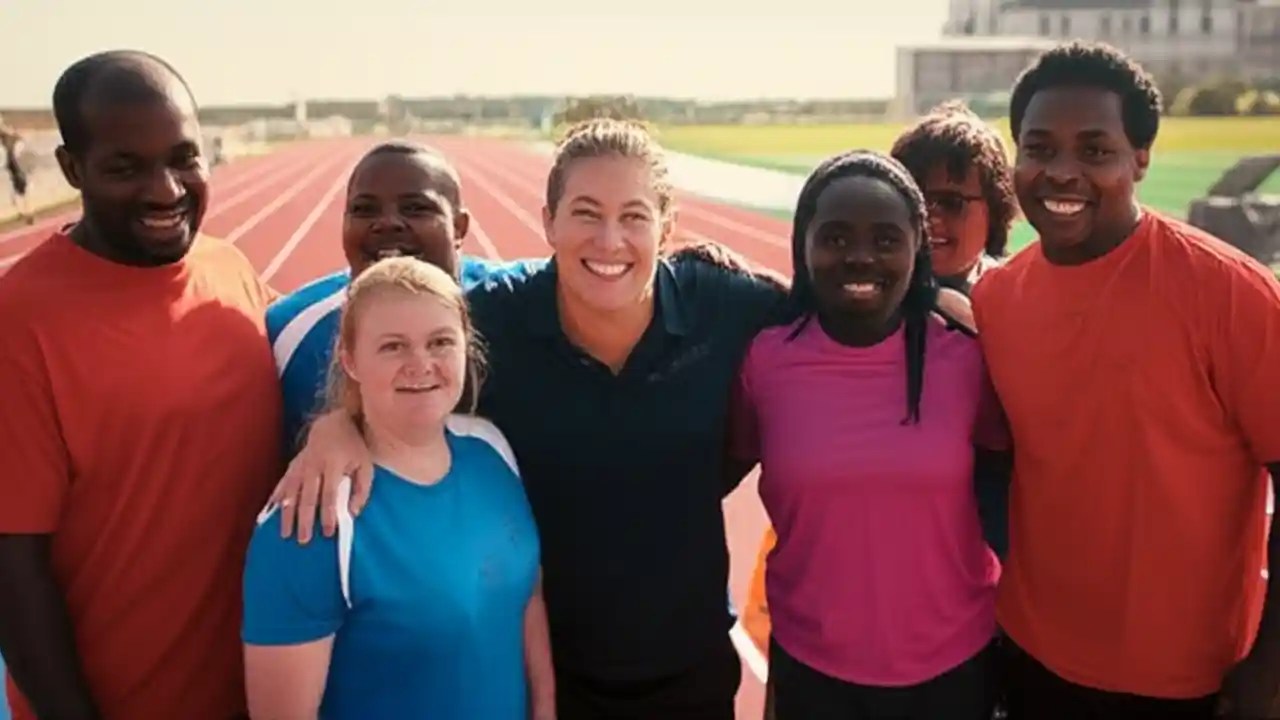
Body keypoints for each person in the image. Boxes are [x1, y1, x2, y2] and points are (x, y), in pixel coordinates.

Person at [271, 118, 978, 719]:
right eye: (585, 213)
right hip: (549, 678)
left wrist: (938, 297)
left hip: (691, 676)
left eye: (634, 216)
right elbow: (407, 370)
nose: (610, 241)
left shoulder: (727, 309)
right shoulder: (492, 326)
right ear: (546, 221)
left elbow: (840, 302)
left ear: (667, 226)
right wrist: (338, 423)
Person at [971, 41, 1280, 720]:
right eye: (1039, 148)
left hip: (1185, 679)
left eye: (1095, 151)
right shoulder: (998, 301)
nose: (1062, 173)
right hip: (1031, 652)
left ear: (1140, 158)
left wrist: (1270, 666)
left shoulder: (1232, 294)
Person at [0, 50, 281, 720]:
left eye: (184, 158)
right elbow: (12, 567)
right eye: (126, 167)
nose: (166, 190)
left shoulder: (231, 269)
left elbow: (330, 368)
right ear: (73, 171)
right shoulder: (20, 321)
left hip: (260, 695)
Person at [727, 150, 1008, 720]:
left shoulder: (969, 357)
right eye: (835, 238)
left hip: (955, 668)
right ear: (804, 245)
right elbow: (717, 467)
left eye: (885, 240)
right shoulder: (764, 361)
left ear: (917, 247)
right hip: (813, 669)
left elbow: (1014, 485)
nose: (859, 257)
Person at [243, 257, 555, 719]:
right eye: (393, 347)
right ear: (349, 359)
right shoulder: (312, 519)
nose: (420, 364)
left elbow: (526, 596)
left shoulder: (491, 449)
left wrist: (545, 709)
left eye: (441, 342)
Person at [269, 139, 537, 475]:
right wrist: (327, 427)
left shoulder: (514, 300)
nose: (387, 223)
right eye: (364, 209)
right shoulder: (291, 330)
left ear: (459, 227)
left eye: (415, 208)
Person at [0, 118, 33, 225]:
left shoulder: (10, 139)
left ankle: (27, 213)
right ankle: (26, 213)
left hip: (17, 169)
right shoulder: (7, 139)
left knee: (21, 192)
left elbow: (16, 136)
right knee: (19, 193)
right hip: (14, 169)